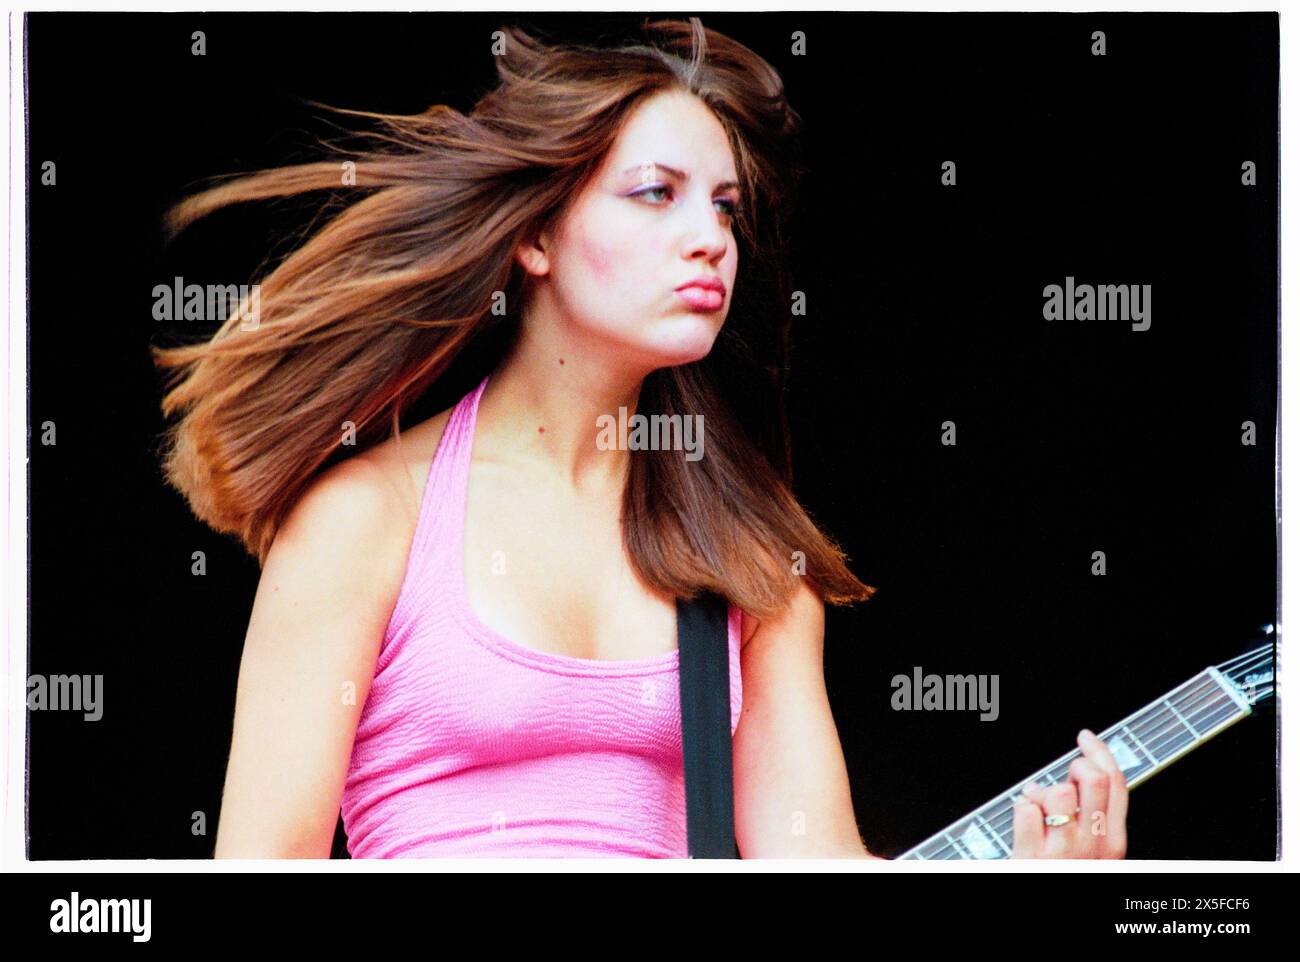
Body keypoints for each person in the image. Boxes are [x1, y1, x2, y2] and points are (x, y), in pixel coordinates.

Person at [152, 17, 1128, 859]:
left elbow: (817, 861)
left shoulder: (749, 563)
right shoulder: (366, 519)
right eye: (656, 193)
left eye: (725, 208)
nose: (711, 238)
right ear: (535, 238)